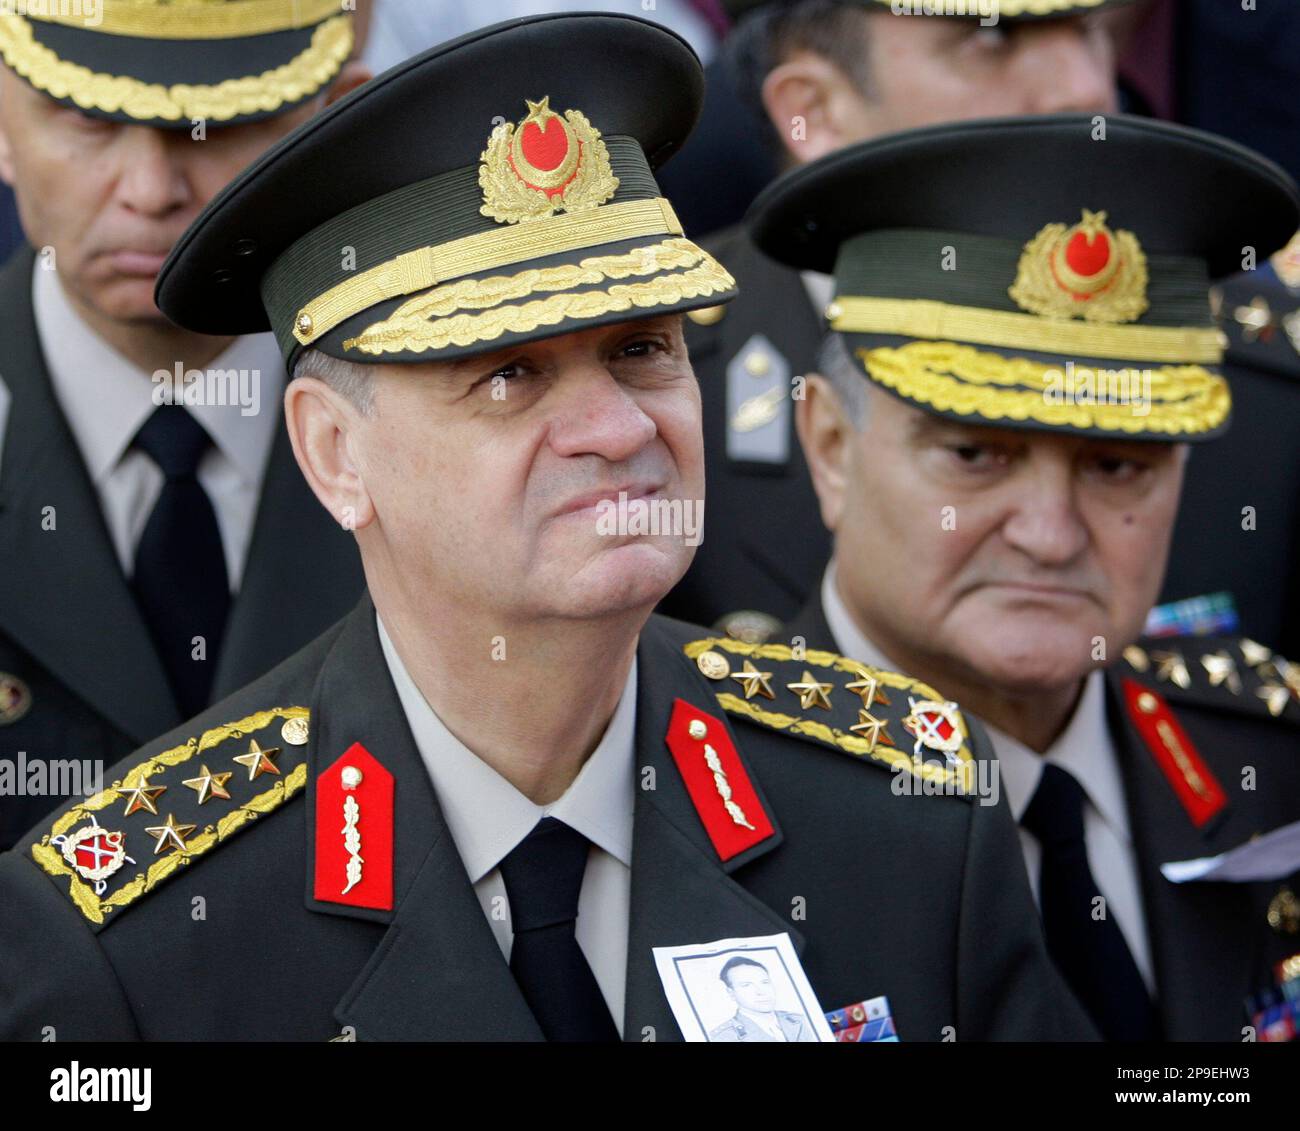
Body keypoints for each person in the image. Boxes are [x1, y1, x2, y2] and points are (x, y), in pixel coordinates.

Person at [0, 14, 1091, 1044]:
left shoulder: (905, 808)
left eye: (641, 350)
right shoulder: (138, 931)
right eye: (509, 374)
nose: (617, 428)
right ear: (335, 453)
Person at [745, 113, 1300, 1041]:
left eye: (1117, 466)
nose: (1048, 536)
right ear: (831, 448)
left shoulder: (1268, 758)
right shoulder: (698, 816)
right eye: (974, 452)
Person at [0, 1, 370, 847]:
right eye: (91, 119)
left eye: (221, 127)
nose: (152, 191)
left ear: (338, 124)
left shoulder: (454, 430)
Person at [656, 0, 1132, 633]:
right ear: (813, 111)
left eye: (1087, 29)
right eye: (992, 37)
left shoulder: (1242, 364)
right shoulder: (643, 385)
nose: (1087, 89)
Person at [707, 956, 818, 1042]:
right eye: (746, 985)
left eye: (765, 982)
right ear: (731, 993)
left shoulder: (802, 1020)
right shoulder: (722, 1037)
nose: (761, 991)